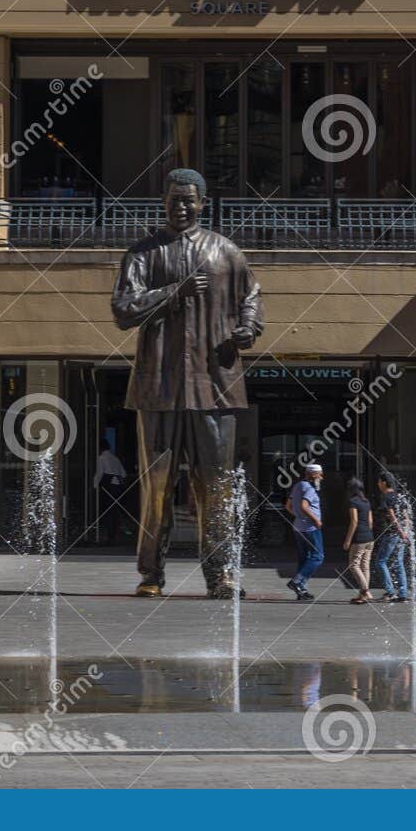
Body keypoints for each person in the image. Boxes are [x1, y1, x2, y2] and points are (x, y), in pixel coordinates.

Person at [111, 167, 263, 599]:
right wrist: (173, 293)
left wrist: (248, 328)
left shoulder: (225, 252)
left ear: (202, 203)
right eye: (173, 199)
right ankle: (151, 574)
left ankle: (220, 576)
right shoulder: (143, 253)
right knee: (156, 486)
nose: (180, 206)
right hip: (158, 388)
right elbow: (123, 308)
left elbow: (251, 298)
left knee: (215, 487)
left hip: (214, 386)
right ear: (164, 201)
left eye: (188, 200)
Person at [287, 463, 325, 601]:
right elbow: (304, 505)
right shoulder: (309, 488)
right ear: (313, 475)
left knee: (304, 558)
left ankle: (301, 590)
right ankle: (297, 582)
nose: (322, 477)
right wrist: (316, 520)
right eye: (320, 474)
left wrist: (299, 517)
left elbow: (288, 506)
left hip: (298, 527)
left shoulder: (297, 486)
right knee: (318, 556)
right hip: (310, 528)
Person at [372, 475, 411, 603]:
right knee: (399, 561)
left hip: (392, 534)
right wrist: (406, 533)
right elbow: (406, 517)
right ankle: (403, 593)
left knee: (380, 562)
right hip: (401, 534)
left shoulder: (386, 497)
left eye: (378, 481)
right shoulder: (400, 496)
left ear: (383, 483)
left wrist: (400, 532)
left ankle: (390, 592)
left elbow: (392, 516)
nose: (378, 484)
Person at [343, 476, 376, 604]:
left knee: (353, 565)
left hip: (359, 538)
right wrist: (368, 533)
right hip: (370, 537)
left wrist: (348, 540)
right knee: (365, 566)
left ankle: (365, 591)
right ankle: (363, 595)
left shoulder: (353, 502)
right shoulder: (366, 502)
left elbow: (354, 521)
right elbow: (371, 521)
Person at [93, 439, 128, 546]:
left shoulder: (101, 458)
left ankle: (108, 536)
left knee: (107, 511)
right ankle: (113, 534)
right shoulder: (115, 458)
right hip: (117, 487)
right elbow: (124, 474)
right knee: (114, 511)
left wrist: (94, 486)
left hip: (108, 486)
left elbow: (99, 473)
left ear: (100, 448)